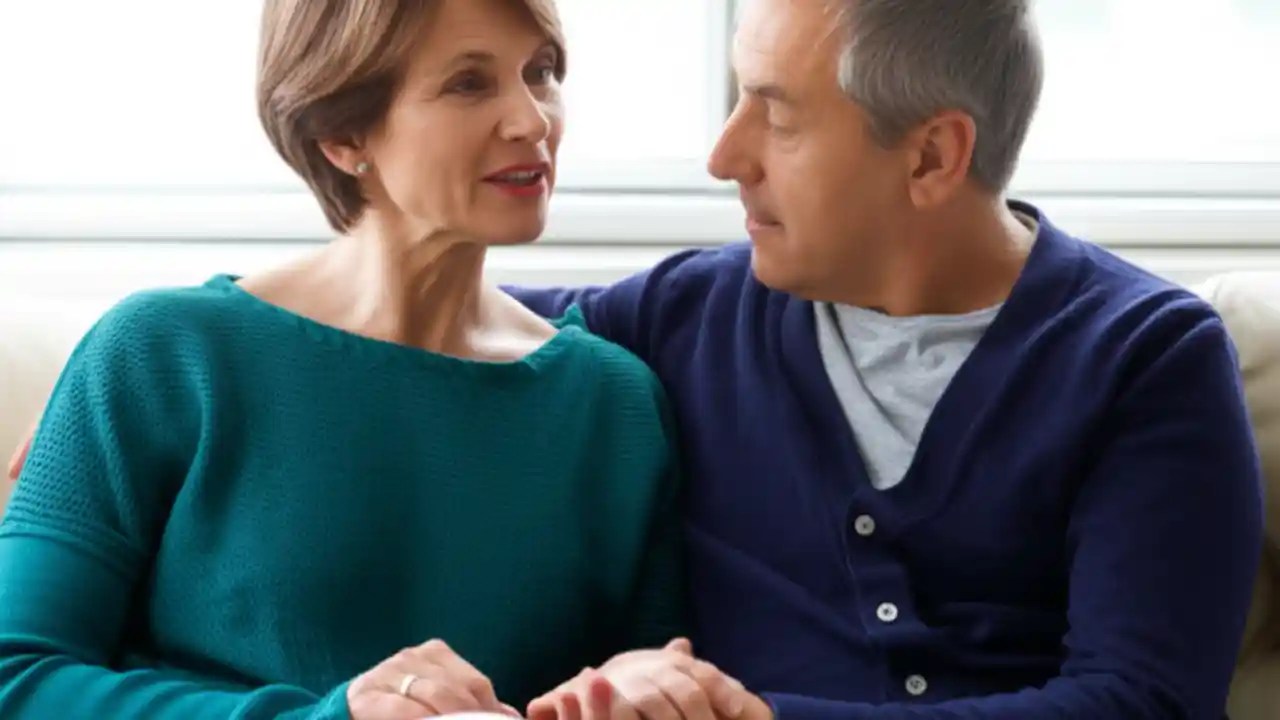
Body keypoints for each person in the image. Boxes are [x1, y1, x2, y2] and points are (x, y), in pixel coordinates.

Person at [509, 0, 1264, 719]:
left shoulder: (1149, 358)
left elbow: (1147, 702)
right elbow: (444, 326)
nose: (725, 155)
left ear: (932, 157)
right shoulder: (690, 317)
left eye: (777, 116)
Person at [0, 0, 690, 718]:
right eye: (468, 84)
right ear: (339, 131)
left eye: (540, 73)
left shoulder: (617, 404)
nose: (532, 121)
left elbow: (643, 678)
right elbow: (15, 678)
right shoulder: (163, 353)